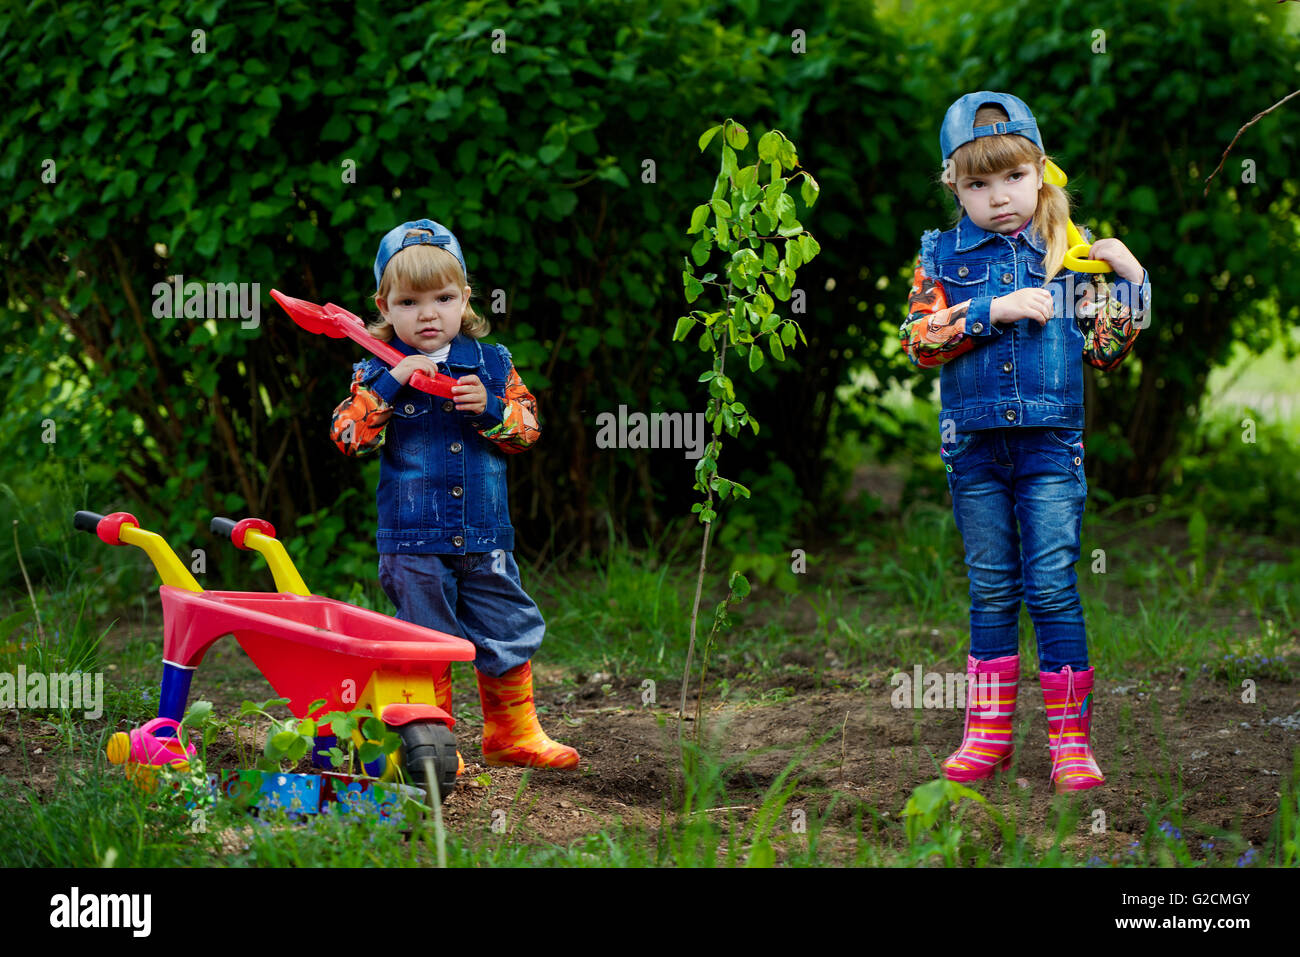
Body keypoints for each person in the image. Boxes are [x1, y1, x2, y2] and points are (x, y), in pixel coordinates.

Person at [899, 93, 1150, 792]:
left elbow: (1103, 351)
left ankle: (1071, 743)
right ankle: (988, 737)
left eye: (1012, 178)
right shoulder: (943, 254)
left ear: (1041, 173)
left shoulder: (1068, 254)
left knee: (1052, 586)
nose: (998, 197)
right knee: (990, 588)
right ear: (955, 185)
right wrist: (988, 310)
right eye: (978, 183)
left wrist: (1131, 281)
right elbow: (920, 341)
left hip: (1048, 451)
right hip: (974, 448)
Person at [329, 217, 578, 770]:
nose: (427, 314)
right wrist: (391, 384)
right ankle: (435, 752)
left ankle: (511, 734)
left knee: (507, 628)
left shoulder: (493, 364)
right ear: (384, 307)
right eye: (410, 301)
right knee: (425, 644)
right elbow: (349, 437)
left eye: (443, 297)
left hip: (485, 536)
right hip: (413, 543)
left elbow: (528, 429)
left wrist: (490, 408)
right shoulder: (373, 372)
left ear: (464, 298)